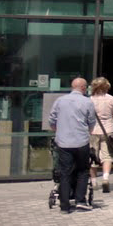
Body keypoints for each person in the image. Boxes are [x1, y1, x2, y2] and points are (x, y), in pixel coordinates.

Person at [47, 77, 96, 215]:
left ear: (72, 87)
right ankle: (80, 201)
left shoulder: (60, 101)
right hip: (81, 142)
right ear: (83, 88)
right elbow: (92, 122)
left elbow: (52, 120)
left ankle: (64, 206)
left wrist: (58, 130)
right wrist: (88, 131)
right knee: (82, 171)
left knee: (65, 173)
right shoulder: (87, 102)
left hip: (63, 143)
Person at [88, 77, 113, 194]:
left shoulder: (89, 100)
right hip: (108, 131)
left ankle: (94, 181)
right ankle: (105, 178)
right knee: (107, 156)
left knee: (92, 156)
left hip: (92, 131)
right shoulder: (111, 99)